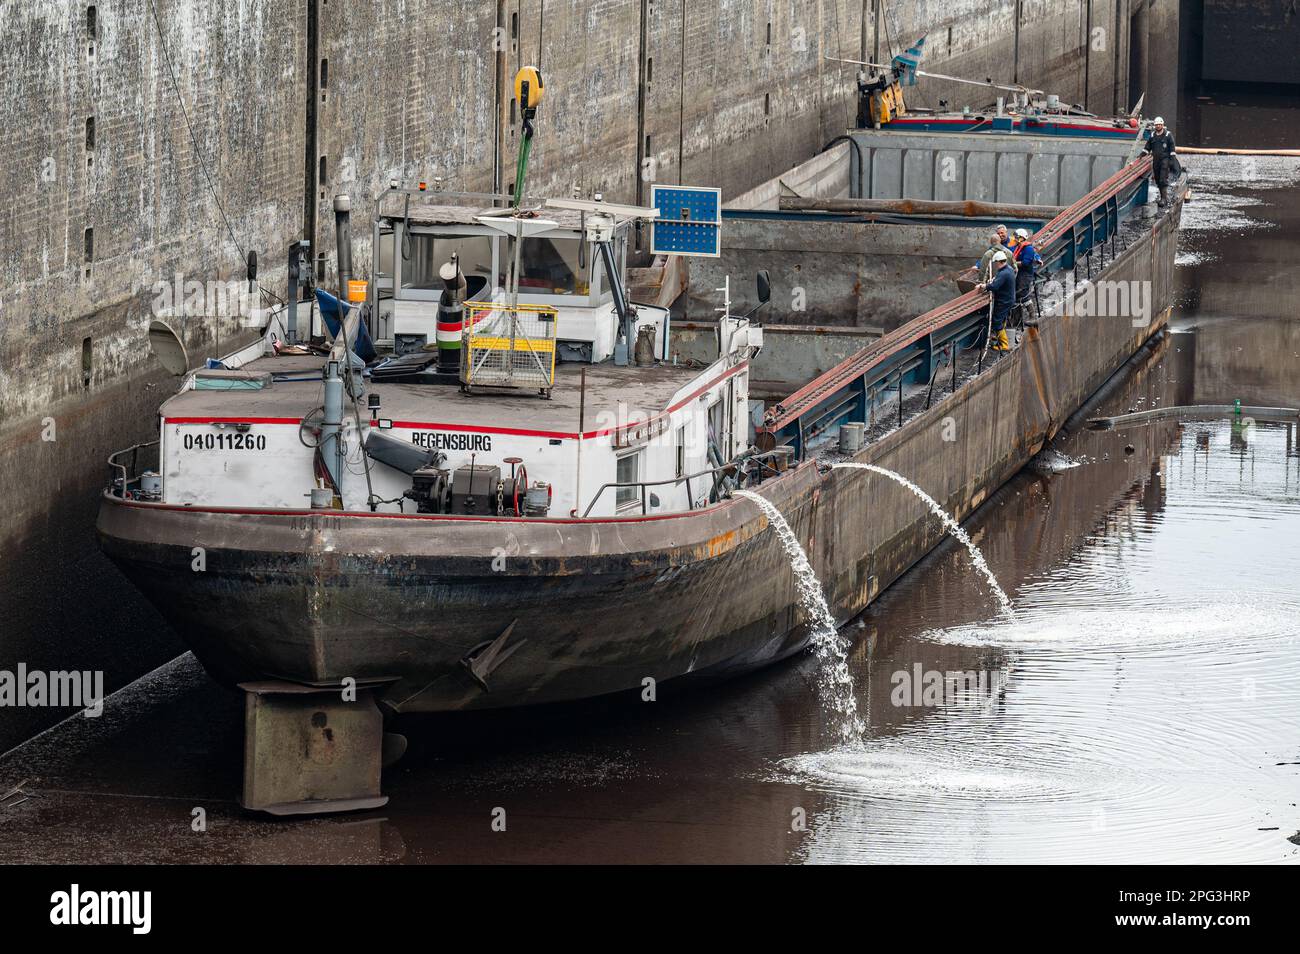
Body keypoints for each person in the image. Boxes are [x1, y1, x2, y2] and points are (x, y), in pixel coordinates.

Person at [976, 251, 1016, 352]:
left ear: (999, 261)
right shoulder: (1008, 269)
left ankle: (1004, 344)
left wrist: (983, 286)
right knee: (1001, 319)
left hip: (1004, 301)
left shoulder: (1004, 273)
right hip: (1009, 299)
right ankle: (999, 336)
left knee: (997, 320)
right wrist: (994, 279)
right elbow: (998, 280)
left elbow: (995, 286)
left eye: (996, 262)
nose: (995, 264)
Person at [1145, 117, 1178, 207]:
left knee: (1163, 178)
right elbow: (1147, 147)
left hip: (1165, 159)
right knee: (1157, 179)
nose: (1158, 126)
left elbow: (1172, 148)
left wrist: (1172, 161)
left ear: (1162, 125)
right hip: (1156, 160)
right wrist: (1141, 155)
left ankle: (1164, 199)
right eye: (1157, 125)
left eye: (1160, 125)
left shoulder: (1168, 135)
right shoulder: (1152, 136)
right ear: (1155, 126)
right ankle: (1162, 197)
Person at [1011, 227, 1041, 313]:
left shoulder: (1028, 248)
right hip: (1020, 273)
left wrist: (1013, 263)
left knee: (1022, 293)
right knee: (1016, 292)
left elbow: (1025, 263)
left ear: (1021, 238)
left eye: (1017, 237)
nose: (1015, 239)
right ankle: (1017, 316)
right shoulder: (1018, 247)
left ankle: (1032, 314)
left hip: (1025, 275)